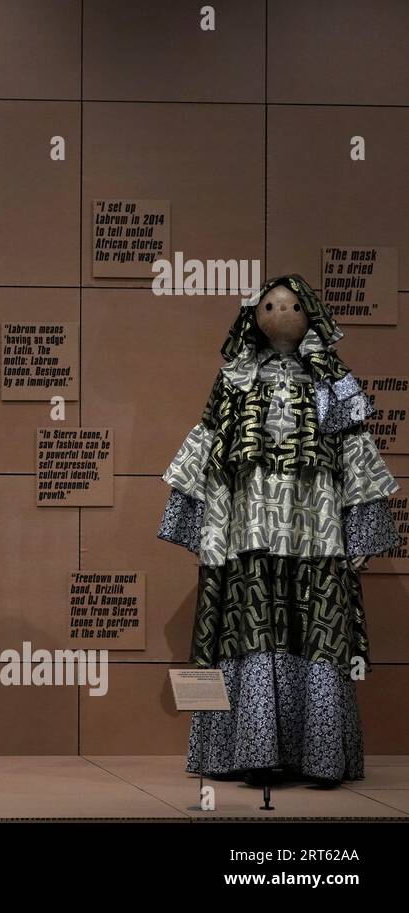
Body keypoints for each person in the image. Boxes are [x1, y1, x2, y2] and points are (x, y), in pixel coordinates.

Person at [157, 273, 402, 785]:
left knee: (319, 627)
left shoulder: (335, 383)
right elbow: (208, 445)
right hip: (249, 526)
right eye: (271, 304)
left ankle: (321, 755)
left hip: (316, 527)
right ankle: (252, 751)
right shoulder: (235, 378)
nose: (282, 312)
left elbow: (356, 452)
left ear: (310, 312)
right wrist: (206, 526)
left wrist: (358, 532)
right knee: (251, 625)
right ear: (255, 315)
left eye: (292, 304)